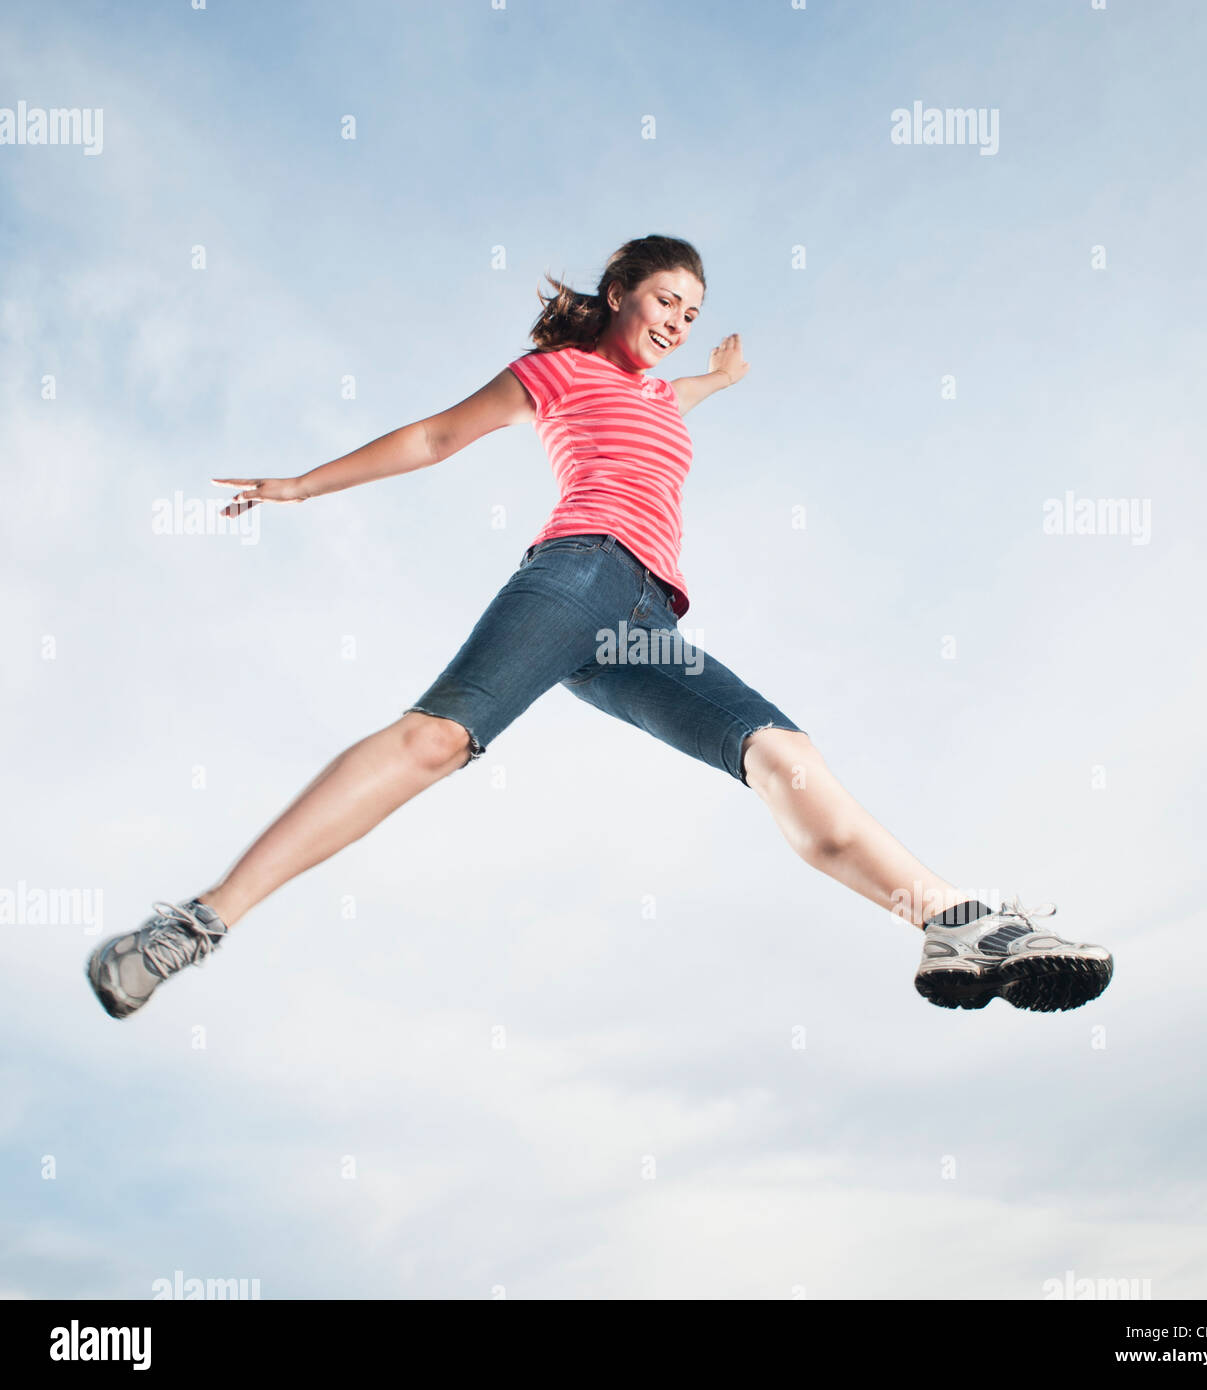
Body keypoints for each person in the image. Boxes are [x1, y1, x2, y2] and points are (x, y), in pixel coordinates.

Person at [86, 234, 1112, 1022]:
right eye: (666, 299)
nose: (677, 318)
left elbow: (684, 390)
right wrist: (304, 484)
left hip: (641, 622)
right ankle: (192, 924)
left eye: (693, 308)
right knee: (437, 739)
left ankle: (948, 923)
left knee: (778, 754)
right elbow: (438, 433)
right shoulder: (558, 374)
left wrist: (722, 374)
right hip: (578, 574)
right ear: (620, 292)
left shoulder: (667, 395)